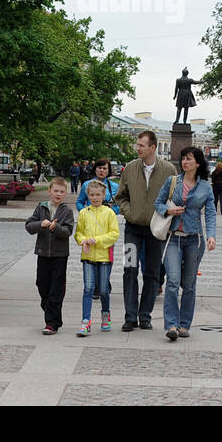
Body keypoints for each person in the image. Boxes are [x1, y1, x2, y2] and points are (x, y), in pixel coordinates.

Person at [114, 130, 177, 331]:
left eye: (141, 145)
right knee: (129, 270)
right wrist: (129, 212)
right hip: (132, 228)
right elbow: (120, 196)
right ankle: (130, 317)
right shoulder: (130, 168)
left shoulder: (168, 170)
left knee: (152, 273)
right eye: (137, 145)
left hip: (155, 231)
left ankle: (145, 316)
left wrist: (166, 217)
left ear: (153, 147)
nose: (137, 148)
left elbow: (173, 198)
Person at [154, 146, 217, 341]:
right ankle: (171, 324)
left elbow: (210, 213)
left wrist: (211, 235)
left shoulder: (206, 187)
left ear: (198, 163)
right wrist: (169, 211)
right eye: (183, 159)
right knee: (173, 281)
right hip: (173, 237)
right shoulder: (173, 182)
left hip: (194, 239)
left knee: (188, 284)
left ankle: (184, 324)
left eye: (189, 159)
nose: (185, 162)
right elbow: (158, 203)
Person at [25, 178, 75, 334]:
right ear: (50, 191)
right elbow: (29, 226)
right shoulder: (41, 208)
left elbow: (67, 232)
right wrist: (41, 224)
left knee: (56, 289)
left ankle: (51, 323)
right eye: (56, 191)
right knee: (42, 285)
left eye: (61, 191)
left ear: (65, 193)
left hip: (60, 255)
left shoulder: (67, 211)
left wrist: (56, 227)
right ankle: (51, 313)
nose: (58, 194)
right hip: (43, 254)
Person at [74, 179, 120, 335]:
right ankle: (85, 321)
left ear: (103, 195)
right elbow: (78, 233)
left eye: (97, 195)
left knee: (104, 290)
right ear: (88, 196)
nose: (94, 198)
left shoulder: (109, 213)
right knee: (88, 288)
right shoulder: (83, 213)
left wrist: (98, 240)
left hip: (104, 257)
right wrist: (82, 241)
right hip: (87, 256)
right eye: (91, 195)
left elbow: (114, 234)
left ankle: (105, 314)